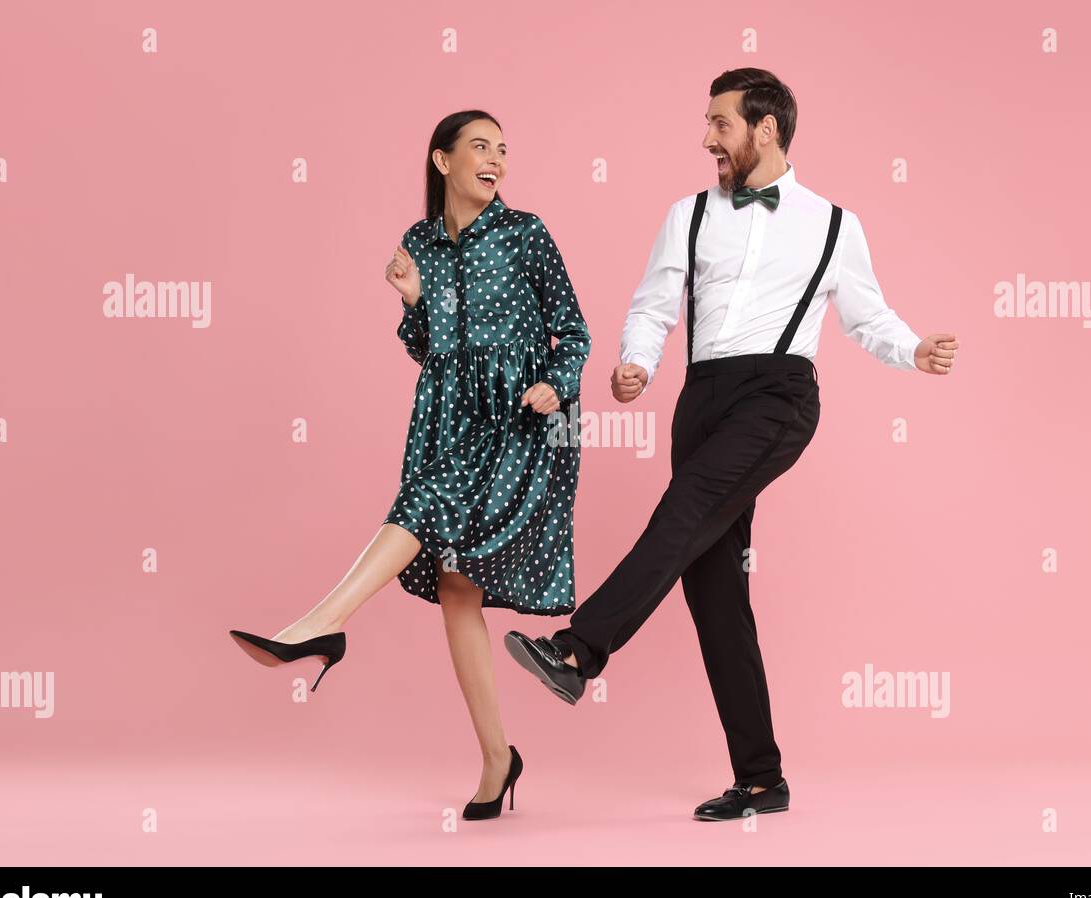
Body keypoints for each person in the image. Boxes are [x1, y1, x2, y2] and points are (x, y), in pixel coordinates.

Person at [504, 68, 958, 821]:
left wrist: (914, 350)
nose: (706, 138)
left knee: (683, 509)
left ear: (766, 128)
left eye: (720, 123)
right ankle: (761, 778)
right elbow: (655, 301)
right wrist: (637, 364)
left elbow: (867, 317)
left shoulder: (835, 224)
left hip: (778, 397)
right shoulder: (687, 213)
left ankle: (580, 650)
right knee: (713, 587)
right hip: (700, 398)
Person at [230, 109, 591, 821]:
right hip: (450, 415)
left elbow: (572, 329)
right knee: (458, 590)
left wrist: (560, 381)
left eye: (502, 150)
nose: (495, 160)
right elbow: (431, 351)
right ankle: (498, 758)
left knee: (425, 507)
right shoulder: (418, 245)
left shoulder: (526, 233)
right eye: (480, 147)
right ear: (442, 159)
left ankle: (318, 625)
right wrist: (415, 301)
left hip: (524, 416)